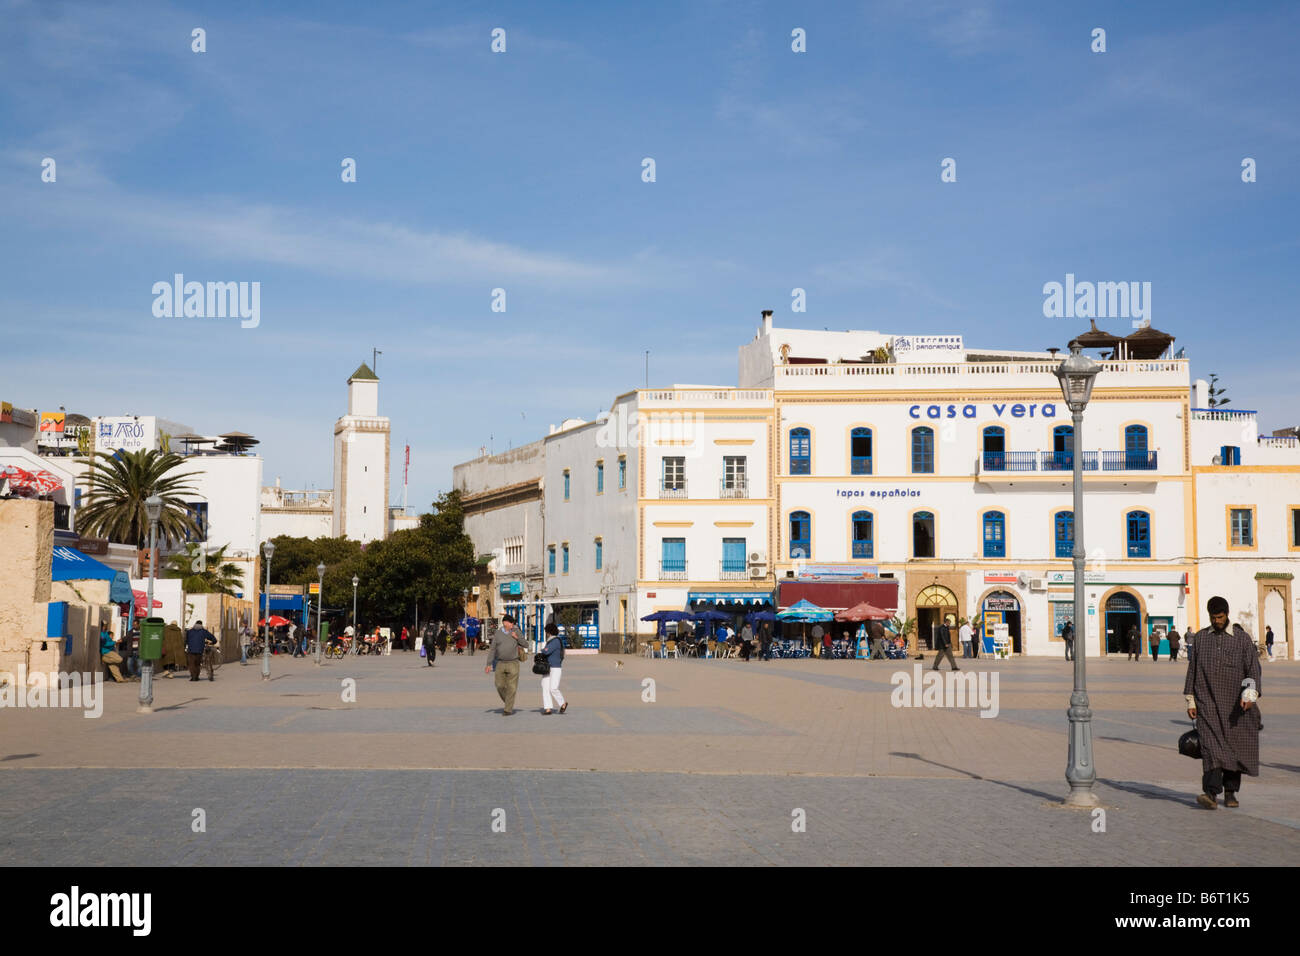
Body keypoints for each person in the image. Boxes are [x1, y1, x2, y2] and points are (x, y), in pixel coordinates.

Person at [1185, 596, 1261, 810]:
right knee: (1210, 749)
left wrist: (1249, 696)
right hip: (1207, 704)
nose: (1217, 621)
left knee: (1233, 750)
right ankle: (1210, 793)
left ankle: (1230, 792)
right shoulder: (1201, 638)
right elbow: (1193, 670)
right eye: (1213, 617)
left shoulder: (1241, 639)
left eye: (1220, 617)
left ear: (1227, 614)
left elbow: (1253, 670)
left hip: (1235, 708)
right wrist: (1191, 700)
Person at [485, 613, 528, 715]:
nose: (512, 625)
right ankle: (509, 702)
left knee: (512, 687)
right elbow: (493, 649)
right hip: (500, 663)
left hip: (513, 663)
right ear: (505, 622)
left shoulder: (516, 631)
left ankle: (508, 709)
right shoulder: (498, 633)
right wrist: (488, 664)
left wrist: (517, 637)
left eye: (513, 623)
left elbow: (526, 644)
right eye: (510, 623)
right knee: (499, 685)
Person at [539, 620, 568, 715]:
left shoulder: (555, 641)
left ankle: (562, 703)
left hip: (555, 668)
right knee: (545, 687)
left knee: (553, 688)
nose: (546, 634)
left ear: (549, 632)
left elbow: (546, 651)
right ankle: (548, 708)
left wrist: (542, 649)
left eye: (546, 632)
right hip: (548, 667)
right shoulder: (552, 640)